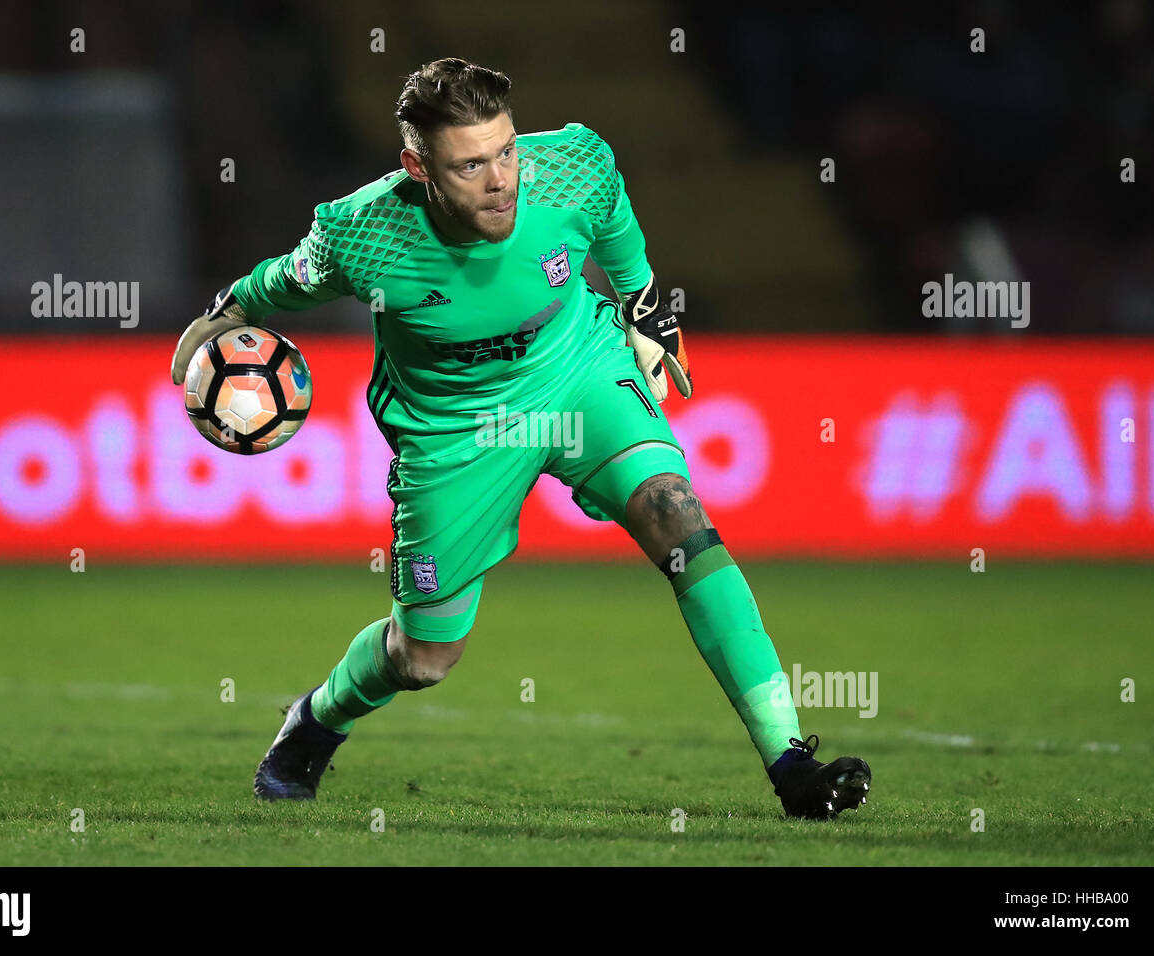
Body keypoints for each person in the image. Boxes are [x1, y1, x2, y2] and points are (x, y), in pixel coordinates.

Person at [170, 58, 870, 819]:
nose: (501, 179)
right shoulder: (362, 234)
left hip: (576, 370)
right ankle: (316, 719)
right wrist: (225, 313)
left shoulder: (570, 165)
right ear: (419, 168)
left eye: (504, 151)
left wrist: (642, 308)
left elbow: (614, 221)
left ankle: (791, 763)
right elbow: (280, 283)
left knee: (678, 515)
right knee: (425, 657)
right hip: (456, 431)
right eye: (470, 165)